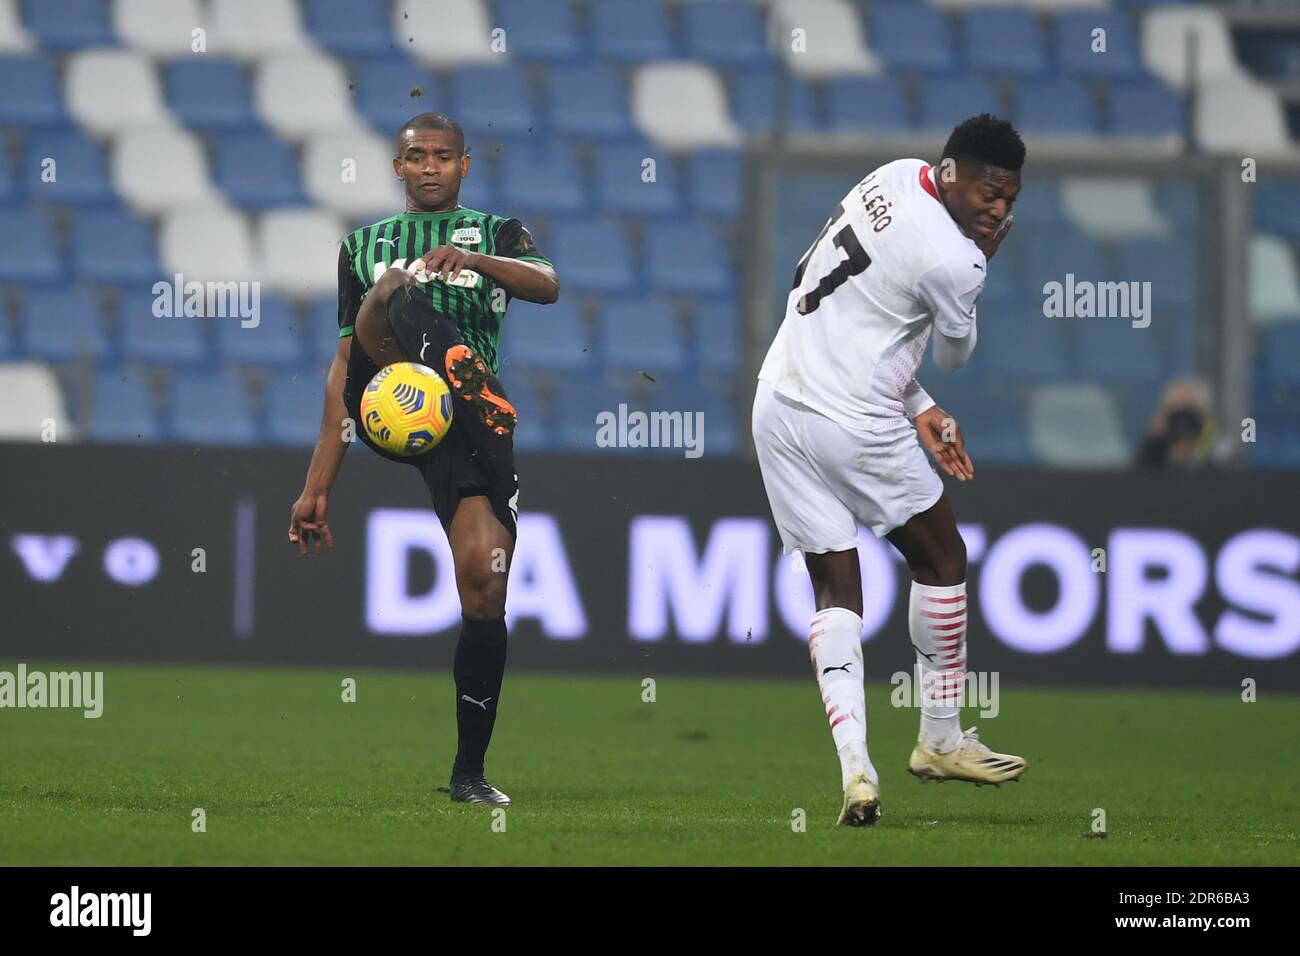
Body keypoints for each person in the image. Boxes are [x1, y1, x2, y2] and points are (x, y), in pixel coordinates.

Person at [752, 114, 1028, 826]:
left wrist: (920, 406)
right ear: (957, 173)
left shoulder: (895, 176)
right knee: (942, 557)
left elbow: (833, 295)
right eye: (989, 194)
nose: (997, 210)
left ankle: (857, 774)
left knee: (836, 587)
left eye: (1009, 200)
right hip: (853, 421)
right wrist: (984, 265)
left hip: (779, 399)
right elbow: (954, 355)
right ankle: (938, 740)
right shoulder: (959, 259)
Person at [287, 113, 560, 806]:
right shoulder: (363, 245)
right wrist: (317, 485)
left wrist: (472, 261)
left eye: (443, 156)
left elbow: (547, 284)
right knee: (391, 294)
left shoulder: (498, 233)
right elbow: (343, 366)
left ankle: (469, 774)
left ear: (464, 165)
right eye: (417, 156)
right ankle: (453, 368)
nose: (430, 166)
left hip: (462, 429)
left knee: (484, 588)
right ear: (398, 167)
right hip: (390, 397)